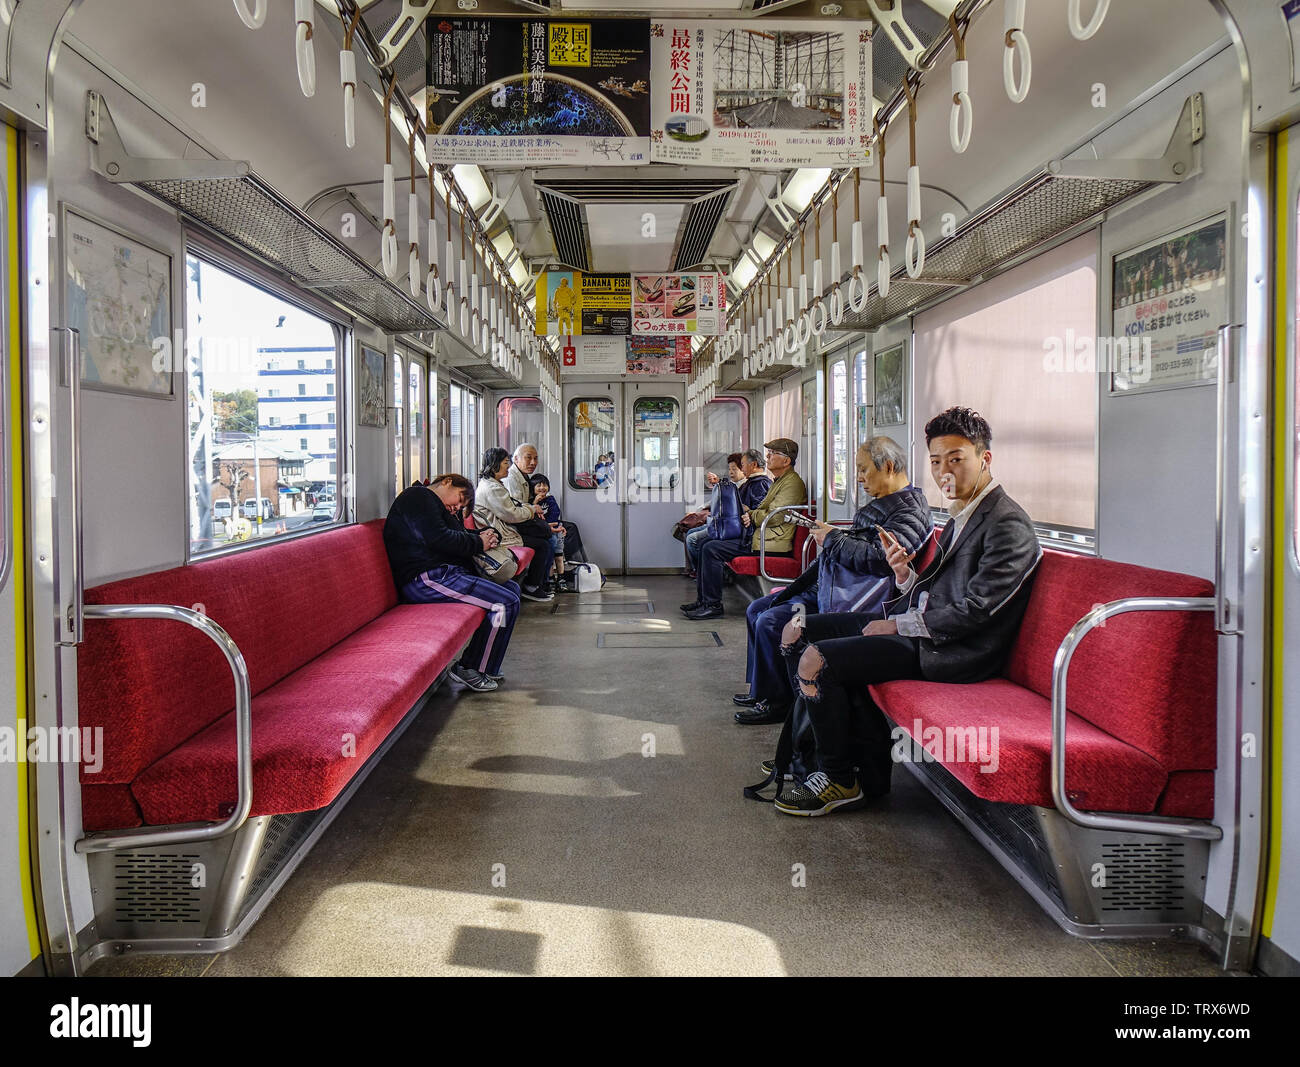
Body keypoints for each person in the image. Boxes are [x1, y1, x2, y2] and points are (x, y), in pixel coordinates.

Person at [771, 407, 1042, 817]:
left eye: (956, 459)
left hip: (954, 651)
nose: (944, 471)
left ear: (985, 459)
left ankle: (839, 776)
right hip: (922, 630)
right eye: (936, 461)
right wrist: (903, 578)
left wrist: (898, 622)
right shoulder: (961, 517)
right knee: (797, 630)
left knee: (817, 658)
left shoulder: (1007, 524)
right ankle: (827, 759)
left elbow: (977, 611)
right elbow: (932, 590)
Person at [734, 436, 931, 725]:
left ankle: (778, 702)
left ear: (888, 466)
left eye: (864, 470)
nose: (860, 478)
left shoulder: (909, 511)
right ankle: (763, 690)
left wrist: (833, 538)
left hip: (850, 597)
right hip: (833, 585)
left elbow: (879, 559)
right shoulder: (884, 505)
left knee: (771, 621)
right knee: (756, 609)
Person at [383, 473, 518, 693]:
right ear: (447, 482)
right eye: (459, 499)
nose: (457, 507)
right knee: (504, 603)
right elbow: (439, 539)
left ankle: (488, 665)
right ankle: (469, 668)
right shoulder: (418, 497)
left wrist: (486, 536)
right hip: (426, 578)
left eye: (462, 506)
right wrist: (478, 542)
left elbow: (459, 535)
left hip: (445, 574)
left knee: (511, 589)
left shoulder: (438, 508)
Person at [682, 439, 807, 620]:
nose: (768, 457)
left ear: (786, 461)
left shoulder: (792, 483)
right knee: (705, 543)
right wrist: (754, 513)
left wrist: (753, 515)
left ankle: (713, 605)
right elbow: (765, 510)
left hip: (770, 544)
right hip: (759, 537)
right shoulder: (780, 481)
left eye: (772, 453)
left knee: (711, 549)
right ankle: (704, 601)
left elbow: (777, 515)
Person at [476, 446, 555, 602]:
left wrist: (531, 508)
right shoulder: (492, 488)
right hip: (500, 535)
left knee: (545, 538)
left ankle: (539, 583)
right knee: (543, 544)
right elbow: (511, 514)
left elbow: (514, 505)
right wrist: (532, 510)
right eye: (506, 462)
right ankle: (532, 586)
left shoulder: (495, 484)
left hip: (504, 530)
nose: (508, 466)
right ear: (495, 464)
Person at [683, 452, 745, 578]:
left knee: (693, 539)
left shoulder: (742, 486)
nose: (731, 472)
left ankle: (706, 572)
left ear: (743, 469)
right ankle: (699, 571)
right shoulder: (733, 485)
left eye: (735, 469)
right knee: (689, 533)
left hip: (729, 527)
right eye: (729, 469)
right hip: (722, 522)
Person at [531, 473, 586, 591]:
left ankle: (571, 573)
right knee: (552, 548)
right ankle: (550, 578)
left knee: (559, 553)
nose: (542, 488)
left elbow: (555, 513)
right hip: (541, 528)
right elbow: (530, 514)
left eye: (545, 485)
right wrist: (535, 504)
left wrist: (553, 524)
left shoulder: (550, 499)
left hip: (553, 526)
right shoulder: (531, 501)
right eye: (538, 486)